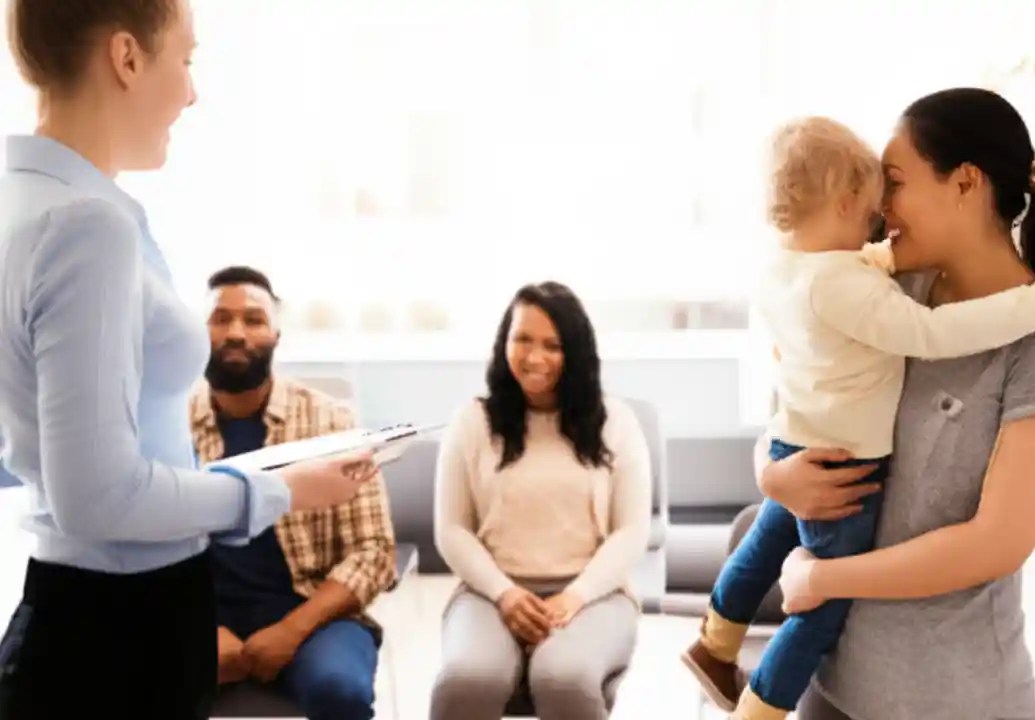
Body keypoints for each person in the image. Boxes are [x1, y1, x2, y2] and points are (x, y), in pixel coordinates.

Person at [0, 3, 374, 718]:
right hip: (122, 631)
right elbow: (100, 496)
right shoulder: (87, 225)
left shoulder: (25, 204)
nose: (192, 92)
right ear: (127, 58)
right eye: (187, 59)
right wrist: (280, 490)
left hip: (85, 613)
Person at [681, 116, 1035, 720]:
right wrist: (774, 477)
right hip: (832, 687)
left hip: (950, 701)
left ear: (965, 184)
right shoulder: (888, 286)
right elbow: (801, 397)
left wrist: (824, 581)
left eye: (893, 183)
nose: (881, 208)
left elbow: (995, 544)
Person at [429, 282, 652, 720]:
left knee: (562, 677)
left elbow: (632, 531)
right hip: (489, 591)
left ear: (577, 352)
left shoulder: (617, 421)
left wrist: (575, 597)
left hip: (595, 593)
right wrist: (505, 594)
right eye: (522, 339)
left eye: (553, 345)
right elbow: (452, 530)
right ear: (504, 342)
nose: (534, 357)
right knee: (467, 680)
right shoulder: (472, 420)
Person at [190, 266, 395, 720]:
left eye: (254, 319)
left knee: (339, 690)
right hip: (200, 615)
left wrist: (290, 631)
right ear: (195, 331)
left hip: (312, 612)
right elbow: (146, 550)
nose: (236, 333)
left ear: (277, 334)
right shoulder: (168, 427)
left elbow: (375, 550)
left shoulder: (334, 423)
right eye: (220, 319)